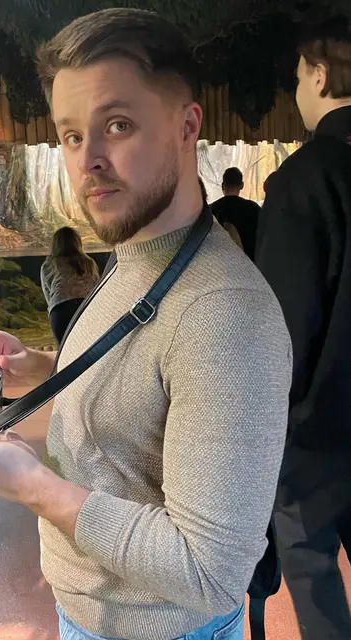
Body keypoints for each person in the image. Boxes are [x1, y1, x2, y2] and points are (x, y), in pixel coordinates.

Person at [0, 8, 292, 640]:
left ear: (188, 126)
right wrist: (42, 370)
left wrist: (36, 488)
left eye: (118, 125)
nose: (89, 160)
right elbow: (152, 389)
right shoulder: (133, 254)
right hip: (89, 613)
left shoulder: (225, 313)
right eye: (72, 136)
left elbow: (211, 572)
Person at [256, 16, 351, 640]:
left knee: (313, 571)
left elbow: (282, 327)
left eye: (297, 77)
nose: (297, 90)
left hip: (317, 432)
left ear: (318, 75)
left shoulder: (302, 181)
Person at [41, 226, 99, 345]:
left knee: (64, 350)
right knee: (87, 347)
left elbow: (47, 293)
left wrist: (53, 309)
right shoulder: (89, 262)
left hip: (60, 309)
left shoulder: (50, 263)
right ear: (77, 242)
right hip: (86, 307)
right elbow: (97, 287)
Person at [211, 168, 261, 261]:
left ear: (223, 185)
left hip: (218, 265)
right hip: (249, 265)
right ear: (242, 185)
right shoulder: (254, 209)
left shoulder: (211, 210)